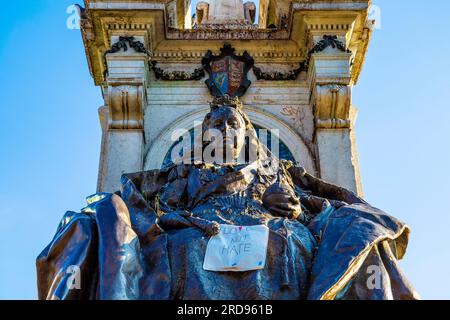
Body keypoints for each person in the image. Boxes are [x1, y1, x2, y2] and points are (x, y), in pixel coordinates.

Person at [37, 96, 419, 300]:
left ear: (245, 134)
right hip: (198, 231)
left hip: (275, 232)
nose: (223, 130)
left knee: (292, 240)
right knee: (185, 247)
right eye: (215, 125)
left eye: (231, 124)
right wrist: (183, 219)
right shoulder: (185, 173)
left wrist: (295, 207)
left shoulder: (278, 171)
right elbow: (160, 211)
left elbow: (317, 205)